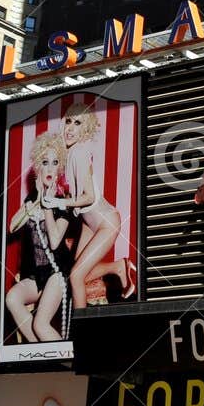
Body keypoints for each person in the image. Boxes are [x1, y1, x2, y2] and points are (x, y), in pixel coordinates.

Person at [52, 105, 133, 308]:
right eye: (68, 121)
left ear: (85, 130)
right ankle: (119, 267)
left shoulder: (79, 153)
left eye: (77, 123)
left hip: (106, 222)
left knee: (76, 277)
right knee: (79, 274)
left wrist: (60, 202)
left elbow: (88, 197)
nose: (70, 128)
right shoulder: (68, 155)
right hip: (89, 222)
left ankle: (81, 332)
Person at [4, 133, 79, 344]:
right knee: (12, 298)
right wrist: (37, 199)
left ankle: (64, 364)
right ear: (38, 167)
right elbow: (12, 226)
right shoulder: (32, 199)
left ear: (60, 169)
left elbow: (55, 241)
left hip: (58, 272)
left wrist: (47, 204)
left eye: (55, 163)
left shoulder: (64, 201)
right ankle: (38, 351)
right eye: (45, 163)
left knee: (40, 323)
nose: (49, 168)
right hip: (36, 275)